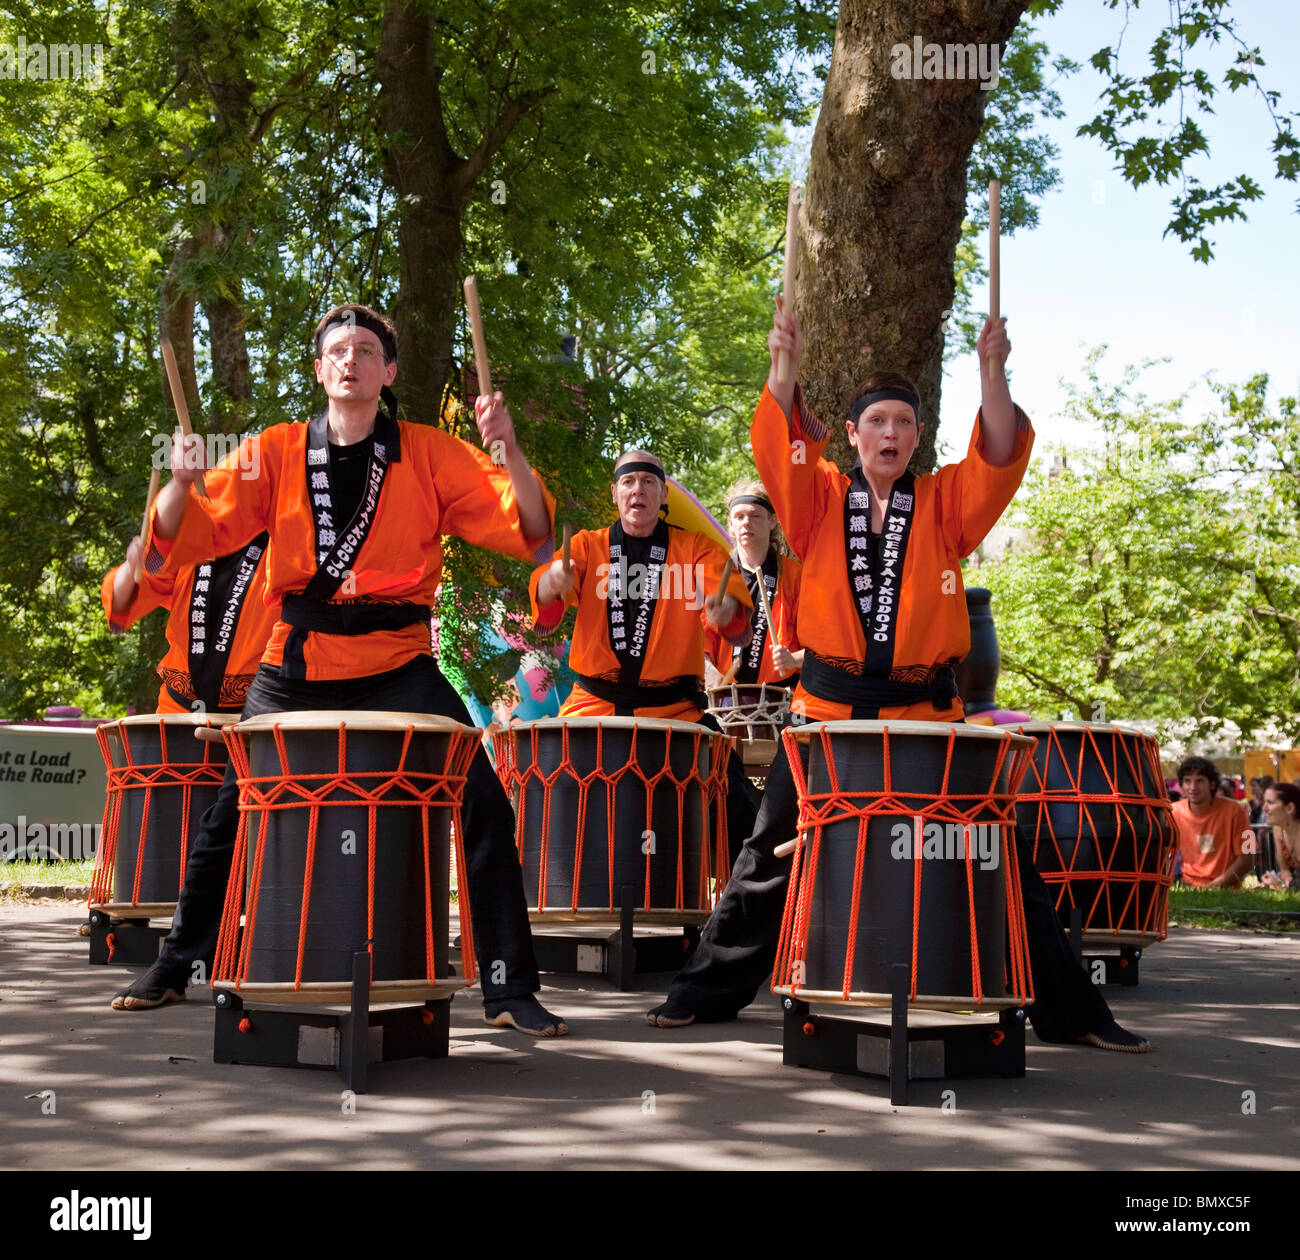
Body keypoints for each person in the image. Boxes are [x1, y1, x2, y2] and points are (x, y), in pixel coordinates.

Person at [646, 298, 1149, 1053]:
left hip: (924, 715)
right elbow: (774, 442)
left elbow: (1001, 452)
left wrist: (991, 373)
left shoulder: (946, 504)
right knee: (765, 855)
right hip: (825, 711)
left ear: (918, 437)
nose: (890, 435)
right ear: (852, 434)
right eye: (876, 422)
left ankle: (1076, 1014)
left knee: (1003, 851)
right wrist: (781, 370)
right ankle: (703, 993)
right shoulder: (816, 499)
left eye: (903, 425)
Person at [110, 302, 567, 1036]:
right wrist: (180, 482)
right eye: (336, 351)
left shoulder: (430, 452)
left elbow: (531, 528)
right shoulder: (278, 448)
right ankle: (177, 963)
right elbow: (191, 532)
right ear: (319, 369)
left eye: (365, 350)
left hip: (397, 663)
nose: (350, 359)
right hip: (294, 661)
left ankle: (509, 985)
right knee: (231, 806)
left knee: (481, 795)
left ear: (388, 372)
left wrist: (508, 448)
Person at [530, 450, 760, 858]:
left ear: (663, 492)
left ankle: (736, 904)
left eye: (649, 481)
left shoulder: (697, 550)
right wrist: (552, 581)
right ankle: (552, 895)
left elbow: (735, 621)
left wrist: (724, 612)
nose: (639, 490)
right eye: (629, 481)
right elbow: (546, 603)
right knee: (543, 779)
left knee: (731, 795)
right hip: (593, 707)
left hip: (674, 713)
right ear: (615, 492)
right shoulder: (587, 546)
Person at [100, 526, 275, 716]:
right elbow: (126, 600)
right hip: (178, 710)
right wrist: (131, 566)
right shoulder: (192, 529)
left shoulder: (283, 529)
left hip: (255, 715)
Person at [704, 479, 804, 687]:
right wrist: (706, 669)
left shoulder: (794, 576)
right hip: (725, 698)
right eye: (739, 517)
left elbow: (819, 647)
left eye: (755, 515)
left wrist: (794, 659)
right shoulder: (713, 577)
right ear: (730, 524)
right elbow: (698, 642)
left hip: (783, 696)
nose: (746, 522)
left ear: (772, 521)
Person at [1172, 756, 1252, 889]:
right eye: (1187, 781)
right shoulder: (1174, 811)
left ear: (1212, 784)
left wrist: (1214, 886)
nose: (1193, 787)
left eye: (1200, 781)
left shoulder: (1235, 810)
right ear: (1181, 785)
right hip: (1187, 887)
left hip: (1227, 888)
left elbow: (1247, 858)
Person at [1258, 781, 1299, 890]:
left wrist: (1279, 885)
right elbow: (1284, 870)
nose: (1264, 808)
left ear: (1289, 808)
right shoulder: (1278, 829)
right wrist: (1284, 882)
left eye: (1270, 802)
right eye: (1264, 802)